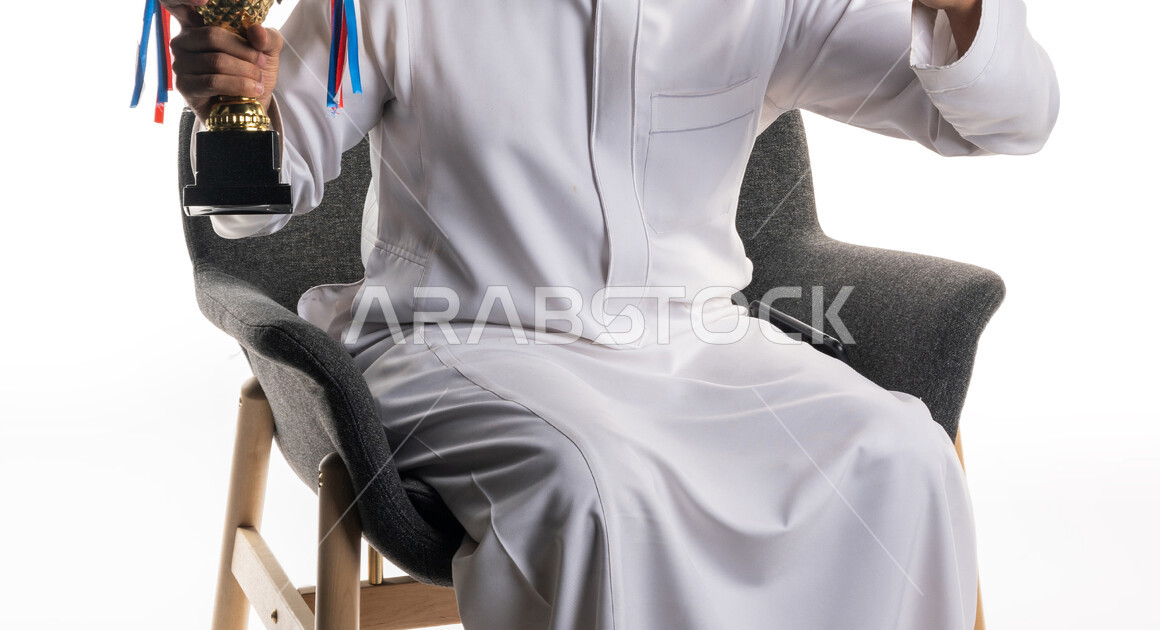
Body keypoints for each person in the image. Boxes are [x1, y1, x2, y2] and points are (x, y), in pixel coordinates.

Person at [167, 0, 1058, 627]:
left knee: (901, 455)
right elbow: (258, 207)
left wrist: (960, 8)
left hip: (695, 342)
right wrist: (231, 103)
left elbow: (1007, 122)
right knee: (590, 493)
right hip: (457, 341)